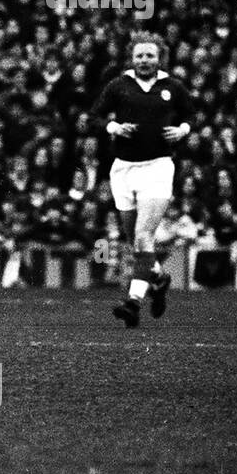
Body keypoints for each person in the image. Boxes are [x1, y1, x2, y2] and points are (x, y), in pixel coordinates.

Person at [89, 32, 194, 327]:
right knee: (134, 240)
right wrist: (113, 127)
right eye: (139, 55)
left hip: (158, 168)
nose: (144, 60)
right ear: (131, 58)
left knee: (143, 237)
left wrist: (183, 129)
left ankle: (133, 302)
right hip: (123, 169)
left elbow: (192, 114)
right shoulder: (119, 85)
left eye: (150, 55)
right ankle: (158, 278)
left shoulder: (172, 86)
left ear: (159, 57)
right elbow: (95, 115)